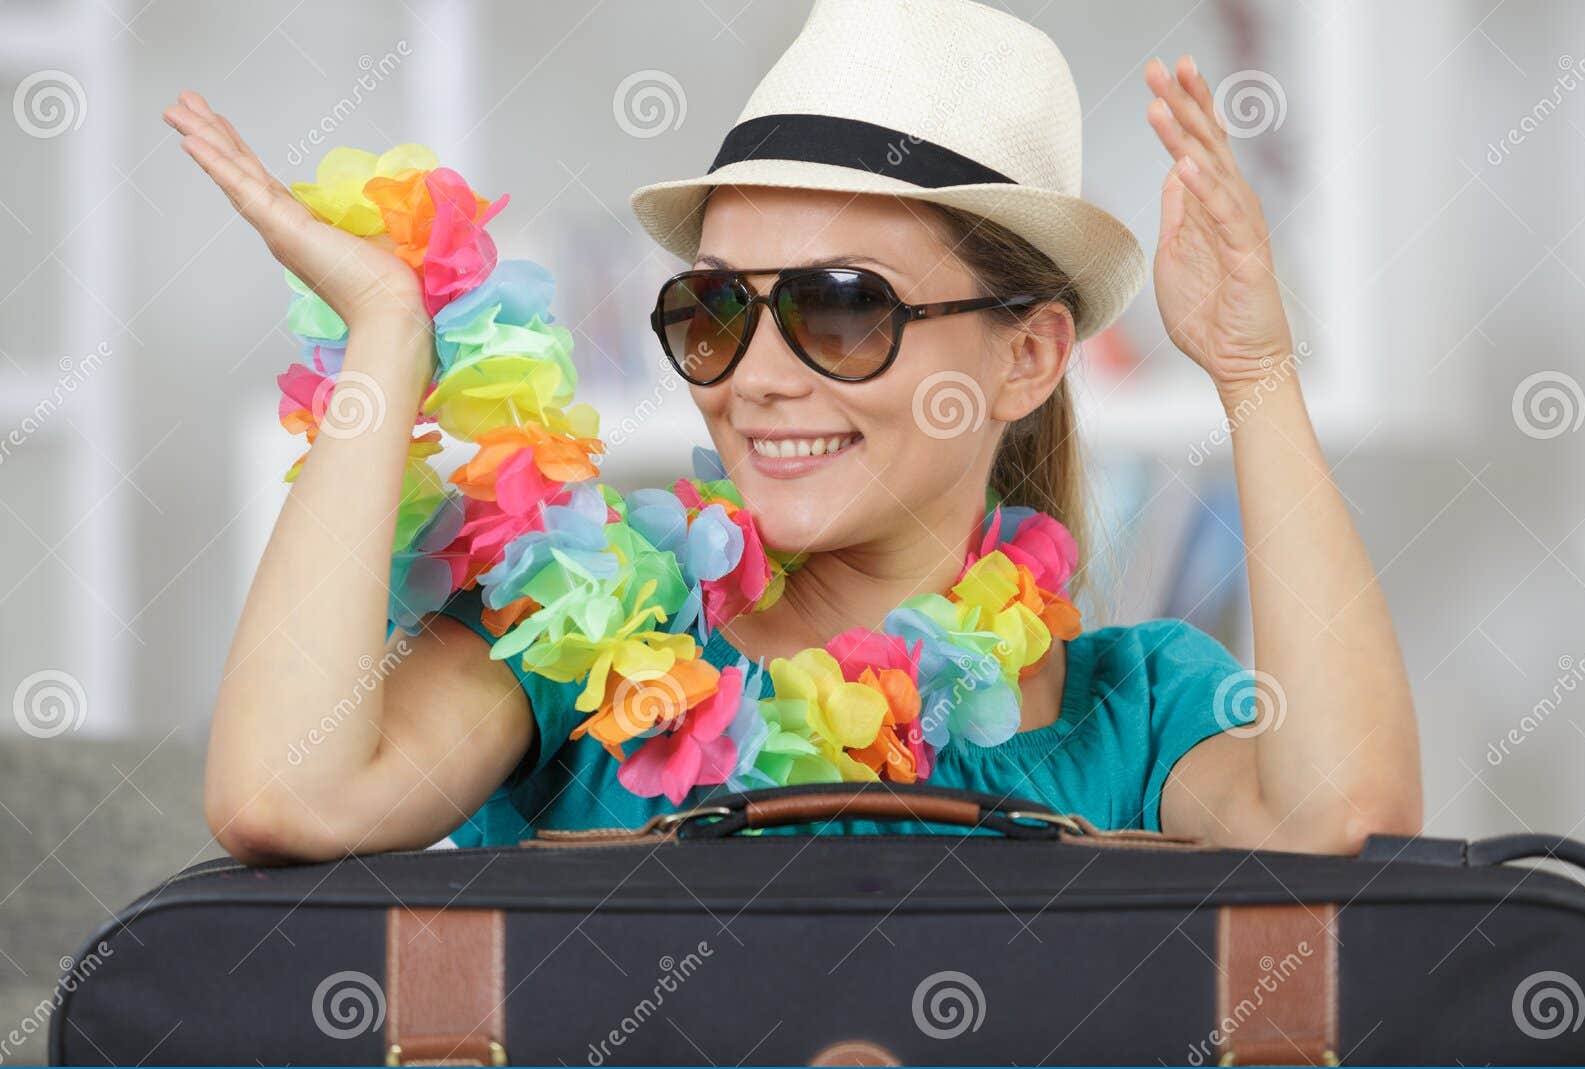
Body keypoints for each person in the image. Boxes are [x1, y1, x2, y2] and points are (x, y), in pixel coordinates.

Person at [162, 0, 1421, 866]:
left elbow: (1351, 829)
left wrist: (1254, 373)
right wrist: (389, 327)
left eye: (839, 305)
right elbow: (289, 791)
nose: (754, 376)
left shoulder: (1132, 709)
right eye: (716, 309)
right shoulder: (575, 641)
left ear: (1026, 356)